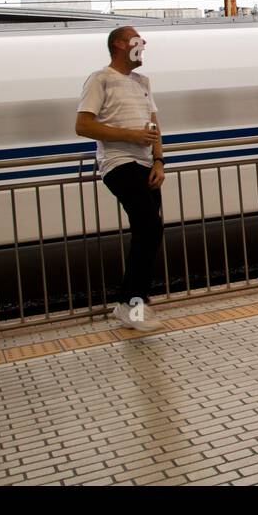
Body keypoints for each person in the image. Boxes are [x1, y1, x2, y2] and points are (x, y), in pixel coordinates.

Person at [76, 26, 166, 331]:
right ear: (118, 44)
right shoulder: (100, 79)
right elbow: (83, 125)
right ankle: (132, 304)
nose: (144, 44)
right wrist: (129, 135)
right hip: (118, 163)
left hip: (145, 165)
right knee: (148, 226)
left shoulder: (143, 82)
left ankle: (132, 301)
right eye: (136, 39)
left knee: (152, 230)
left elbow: (154, 124)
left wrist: (158, 160)